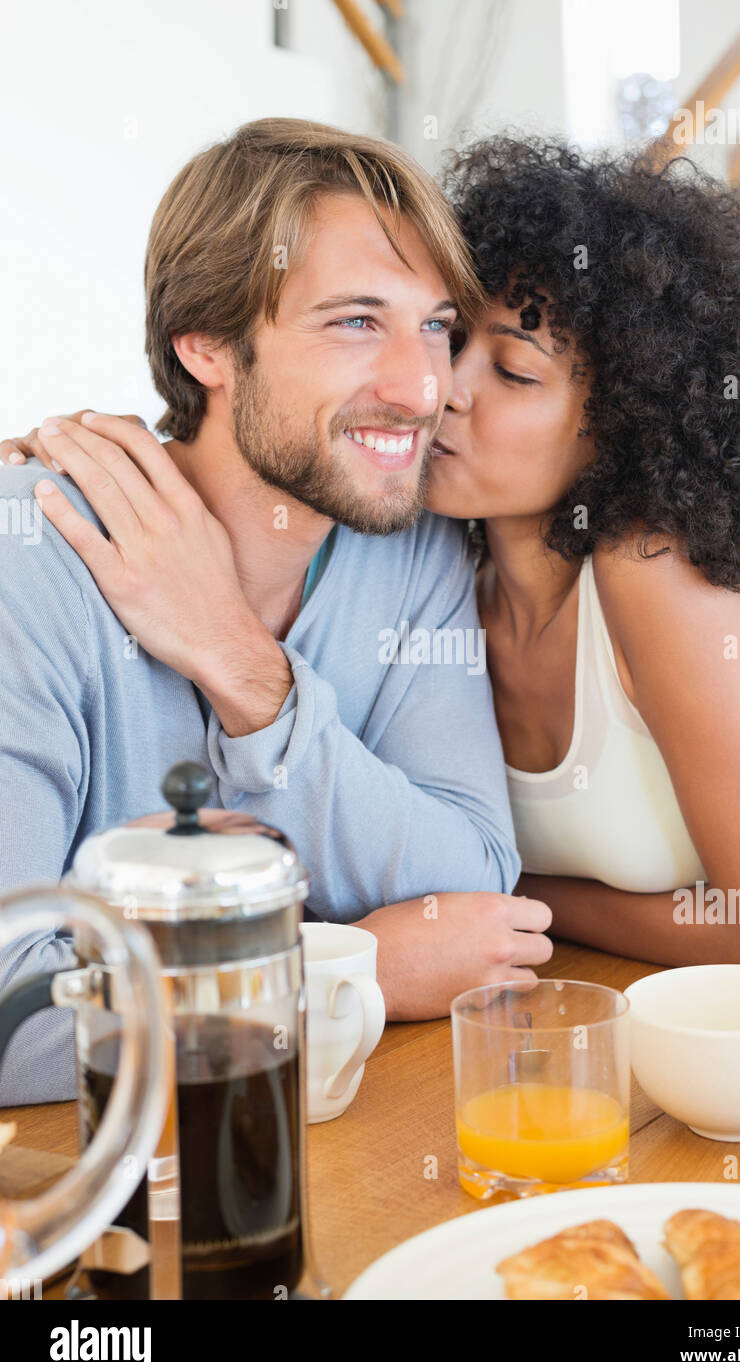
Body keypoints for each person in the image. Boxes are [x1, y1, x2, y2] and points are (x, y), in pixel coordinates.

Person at [0, 118, 553, 1106]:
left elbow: (472, 886)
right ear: (207, 344)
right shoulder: (33, 553)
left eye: (433, 323)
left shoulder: (410, 546)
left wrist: (242, 664)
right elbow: (8, 1016)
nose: (421, 386)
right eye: (353, 321)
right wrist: (340, 978)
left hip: (343, 1154)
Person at [420, 135, 740, 968]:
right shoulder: (428, 579)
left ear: (621, 425)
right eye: (448, 342)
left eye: (513, 373)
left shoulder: (648, 577)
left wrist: (510, 896)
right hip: (531, 1030)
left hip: (707, 1051)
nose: (445, 388)